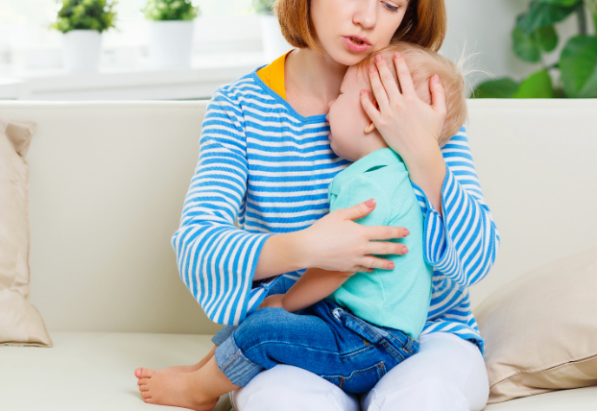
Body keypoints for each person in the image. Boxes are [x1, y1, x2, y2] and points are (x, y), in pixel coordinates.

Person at [137, 0, 498, 411]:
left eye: (392, 4)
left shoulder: (418, 99)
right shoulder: (241, 107)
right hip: (305, 339)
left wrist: (424, 154)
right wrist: (308, 248)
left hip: (427, 338)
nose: (367, 18)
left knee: (425, 399)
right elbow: (198, 245)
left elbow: (477, 260)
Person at [134, 43, 469, 410]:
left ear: (373, 117)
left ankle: (199, 390)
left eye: (340, 96)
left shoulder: (372, 185)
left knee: (267, 325)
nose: (329, 106)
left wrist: (287, 302)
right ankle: (201, 370)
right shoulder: (382, 174)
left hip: (373, 341)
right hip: (353, 324)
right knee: (268, 302)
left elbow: (340, 265)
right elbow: (200, 239)